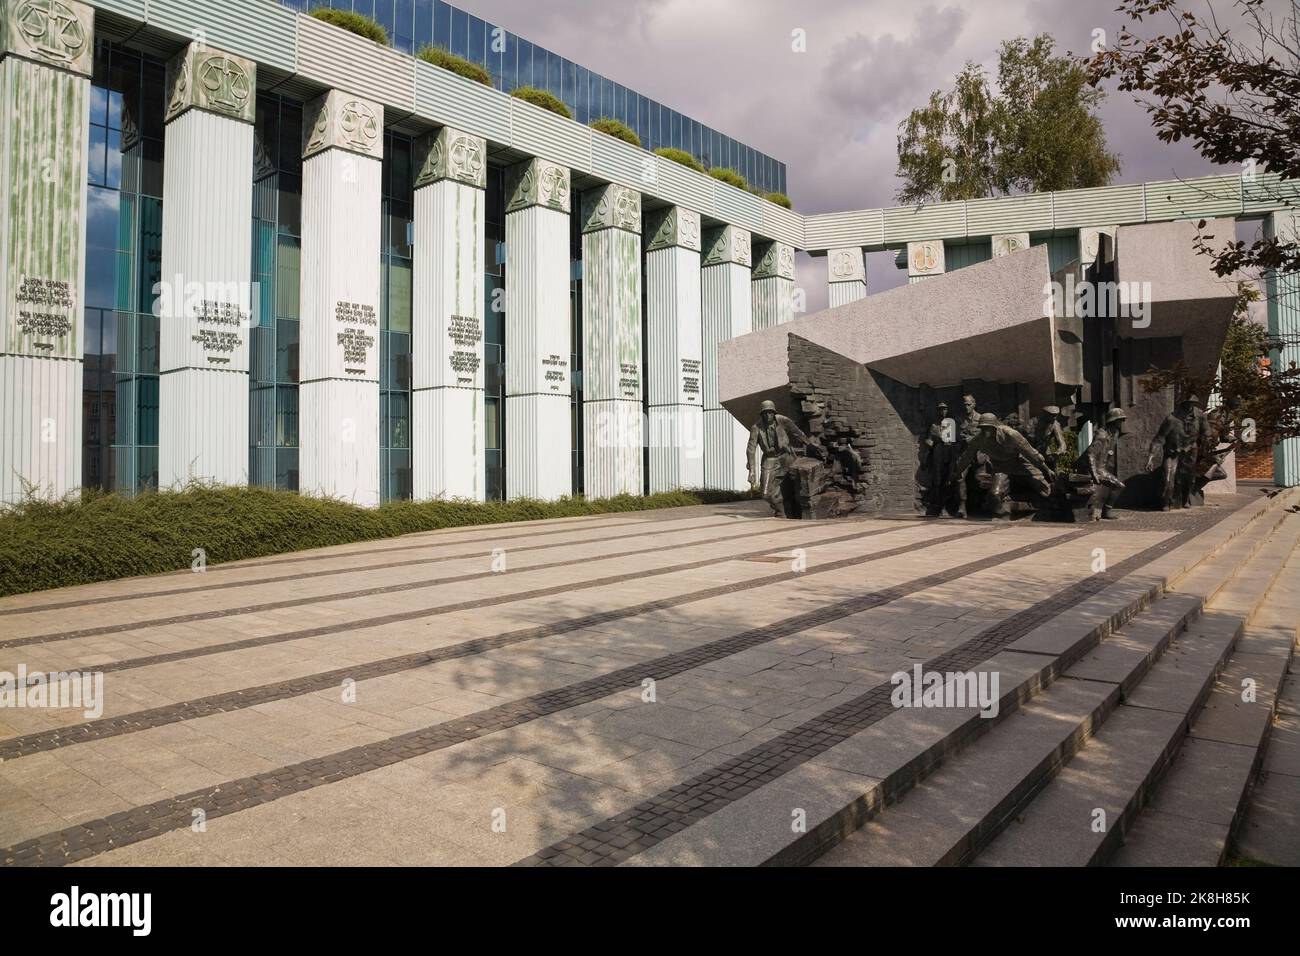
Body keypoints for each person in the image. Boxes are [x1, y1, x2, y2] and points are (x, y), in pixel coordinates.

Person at [951, 413, 1054, 519]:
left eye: (988, 428)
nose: (985, 431)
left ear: (995, 427)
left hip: (1020, 463)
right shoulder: (979, 440)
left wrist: (1047, 469)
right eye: (983, 428)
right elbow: (966, 457)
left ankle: (1046, 510)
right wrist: (957, 472)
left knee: (1044, 489)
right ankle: (1004, 514)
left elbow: (1031, 453)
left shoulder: (1011, 434)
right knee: (995, 494)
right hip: (1001, 468)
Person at [747, 400, 821, 517]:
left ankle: (794, 511)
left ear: (774, 412)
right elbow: (751, 449)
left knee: (795, 485)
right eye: (765, 413)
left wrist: (809, 444)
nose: (768, 415)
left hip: (786, 456)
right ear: (761, 414)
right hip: (769, 459)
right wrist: (752, 471)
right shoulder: (756, 427)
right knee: (766, 493)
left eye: (770, 412)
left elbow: (797, 432)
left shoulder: (782, 420)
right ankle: (780, 511)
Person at [1147, 394, 1211, 510]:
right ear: (1182, 405)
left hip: (1190, 452)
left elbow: (1207, 433)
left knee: (1189, 478)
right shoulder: (1171, 419)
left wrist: (1207, 441)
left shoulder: (1200, 416)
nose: (1189, 406)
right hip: (1172, 452)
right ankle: (1165, 502)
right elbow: (1159, 439)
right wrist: (1151, 457)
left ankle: (1185, 499)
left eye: (1192, 404)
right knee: (1167, 478)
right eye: (1187, 404)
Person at [1075, 408, 1127, 521]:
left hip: (1100, 467)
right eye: (1120, 420)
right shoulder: (1101, 435)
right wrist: (1094, 474)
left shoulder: (1114, 434)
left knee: (1119, 486)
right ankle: (1105, 511)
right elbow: (1090, 454)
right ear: (1113, 421)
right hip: (1089, 468)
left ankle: (1106, 511)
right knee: (1118, 486)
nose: (1122, 423)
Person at [920, 401, 958, 516]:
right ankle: (937, 505)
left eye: (945, 409)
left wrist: (942, 438)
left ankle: (949, 506)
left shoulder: (951, 423)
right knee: (937, 479)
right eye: (940, 409)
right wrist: (929, 442)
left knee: (949, 478)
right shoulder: (934, 425)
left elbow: (953, 440)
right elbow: (929, 439)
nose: (943, 411)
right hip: (937, 453)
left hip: (949, 453)